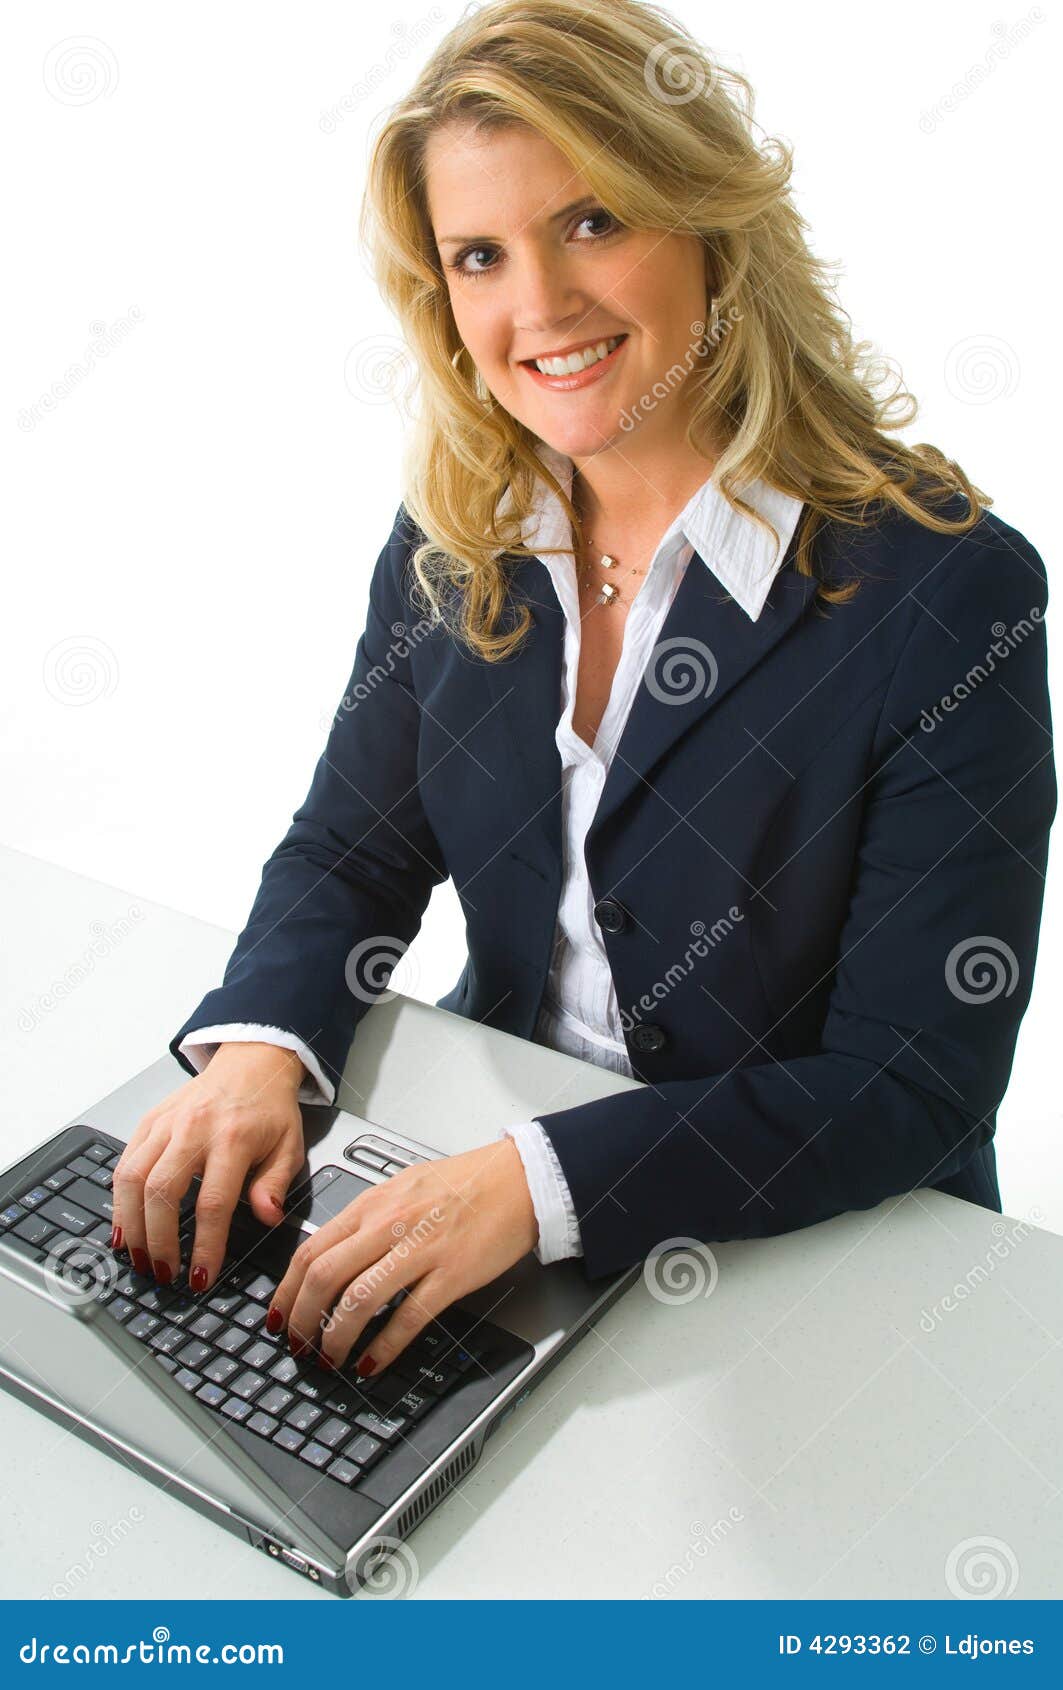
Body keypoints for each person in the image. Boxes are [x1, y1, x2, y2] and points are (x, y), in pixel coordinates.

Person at [109, 0, 1055, 1384]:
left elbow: (916, 1079)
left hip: (814, 1257)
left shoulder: (946, 591)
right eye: (479, 255)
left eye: (595, 222)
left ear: (709, 225)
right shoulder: (459, 531)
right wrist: (261, 1045)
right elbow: (352, 852)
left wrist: (536, 1185)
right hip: (479, 1186)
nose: (538, 308)